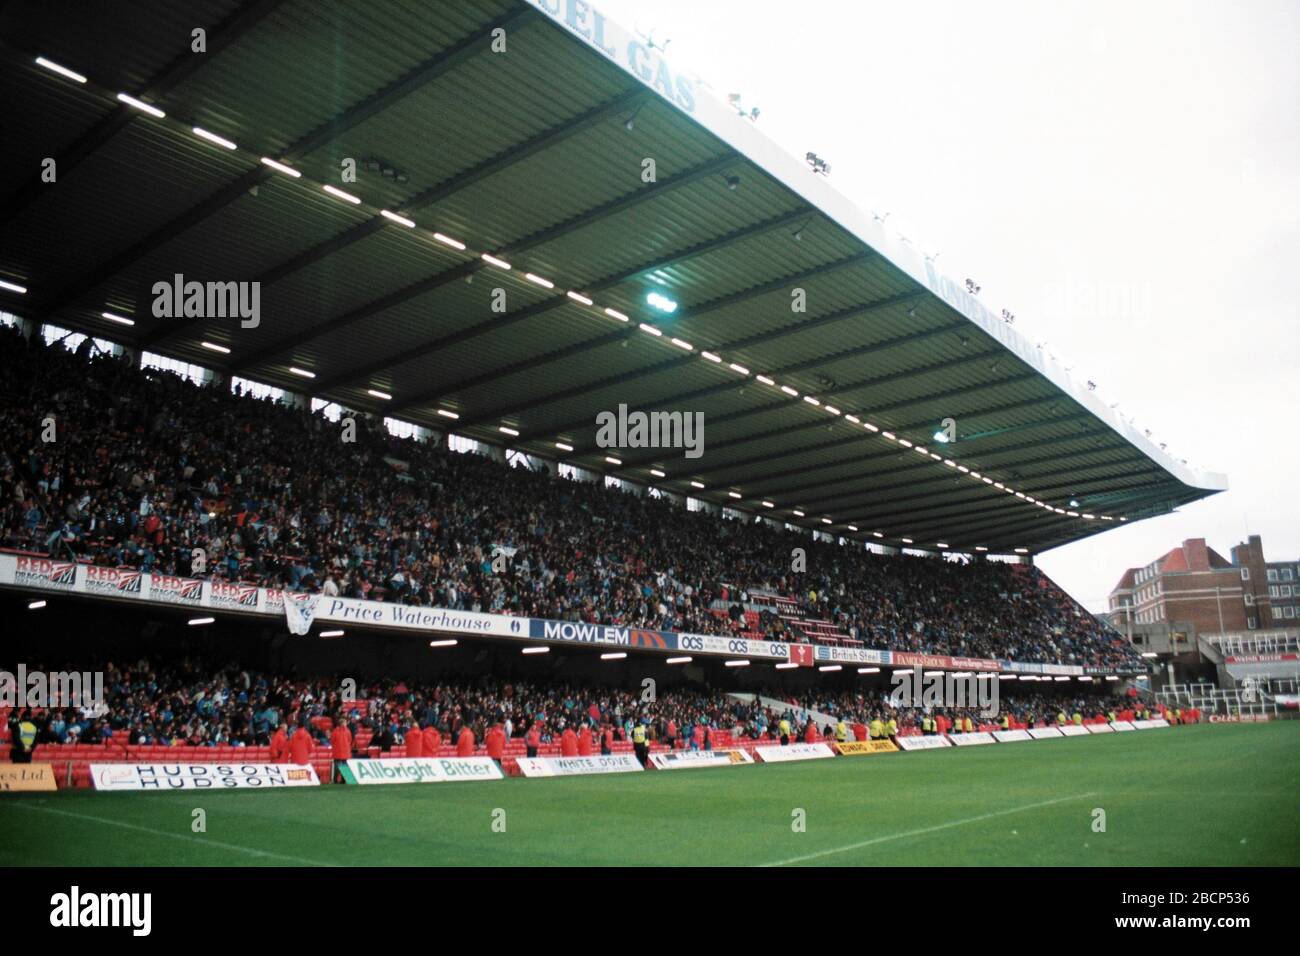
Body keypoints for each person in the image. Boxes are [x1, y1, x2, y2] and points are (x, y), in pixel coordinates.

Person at [330, 716, 352, 783]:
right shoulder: (348, 731)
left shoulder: (335, 731)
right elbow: (350, 740)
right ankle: (344, 780)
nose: (346, 724)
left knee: (337, 767)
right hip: (345, 752)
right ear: (342, 723)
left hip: (337, 752)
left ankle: (335, 780)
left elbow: (332, 740)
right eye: (345, 723)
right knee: (345, 766)